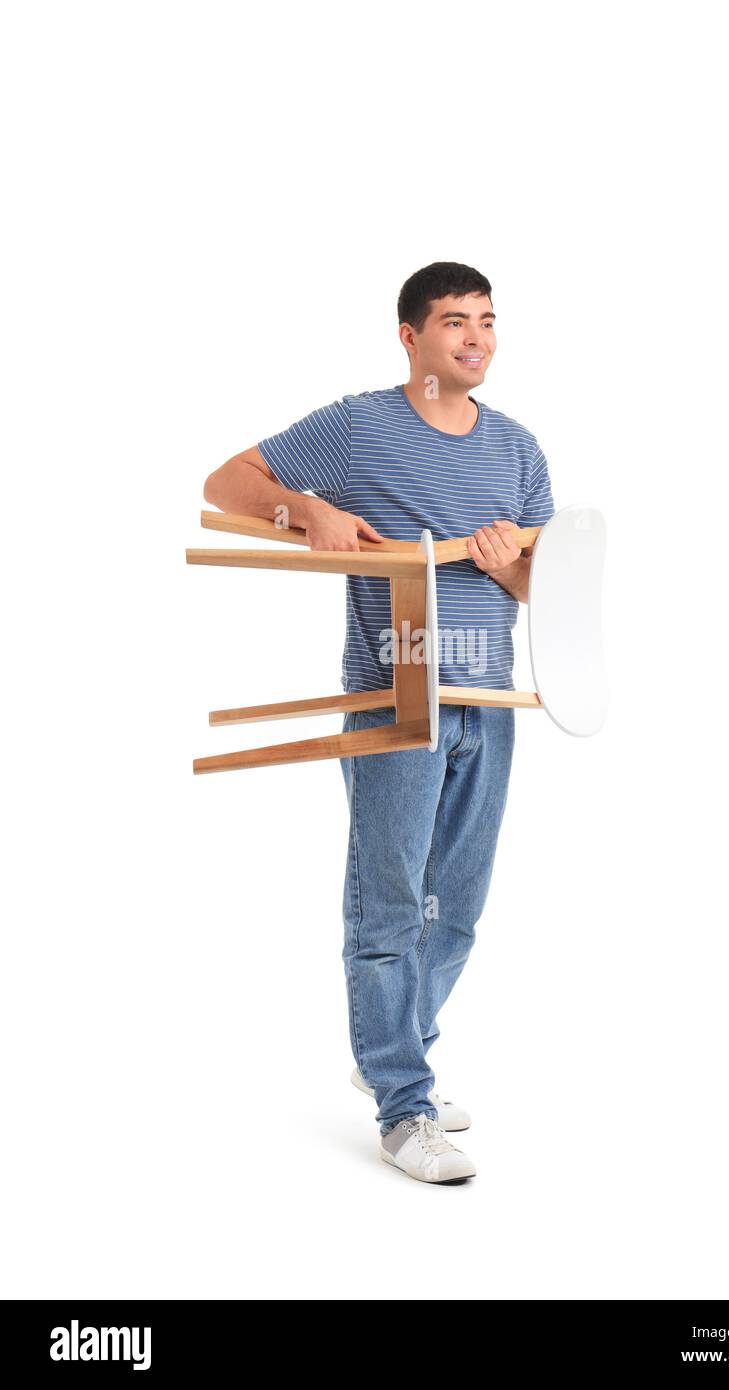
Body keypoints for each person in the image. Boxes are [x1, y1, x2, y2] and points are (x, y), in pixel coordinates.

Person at [203, 262, 556, 1183]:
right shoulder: (363, 426)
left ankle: (392, 1052)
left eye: (487, 321)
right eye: (454, 323)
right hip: (397, 689)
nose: (475, 339)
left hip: (489, 696)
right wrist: (305, 506)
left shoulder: (518, 450)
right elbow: (228, 478)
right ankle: (405, 1107)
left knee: (460, 909)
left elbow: (542, 584)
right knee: (391, 904)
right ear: (411, 337)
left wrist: (512, 569)